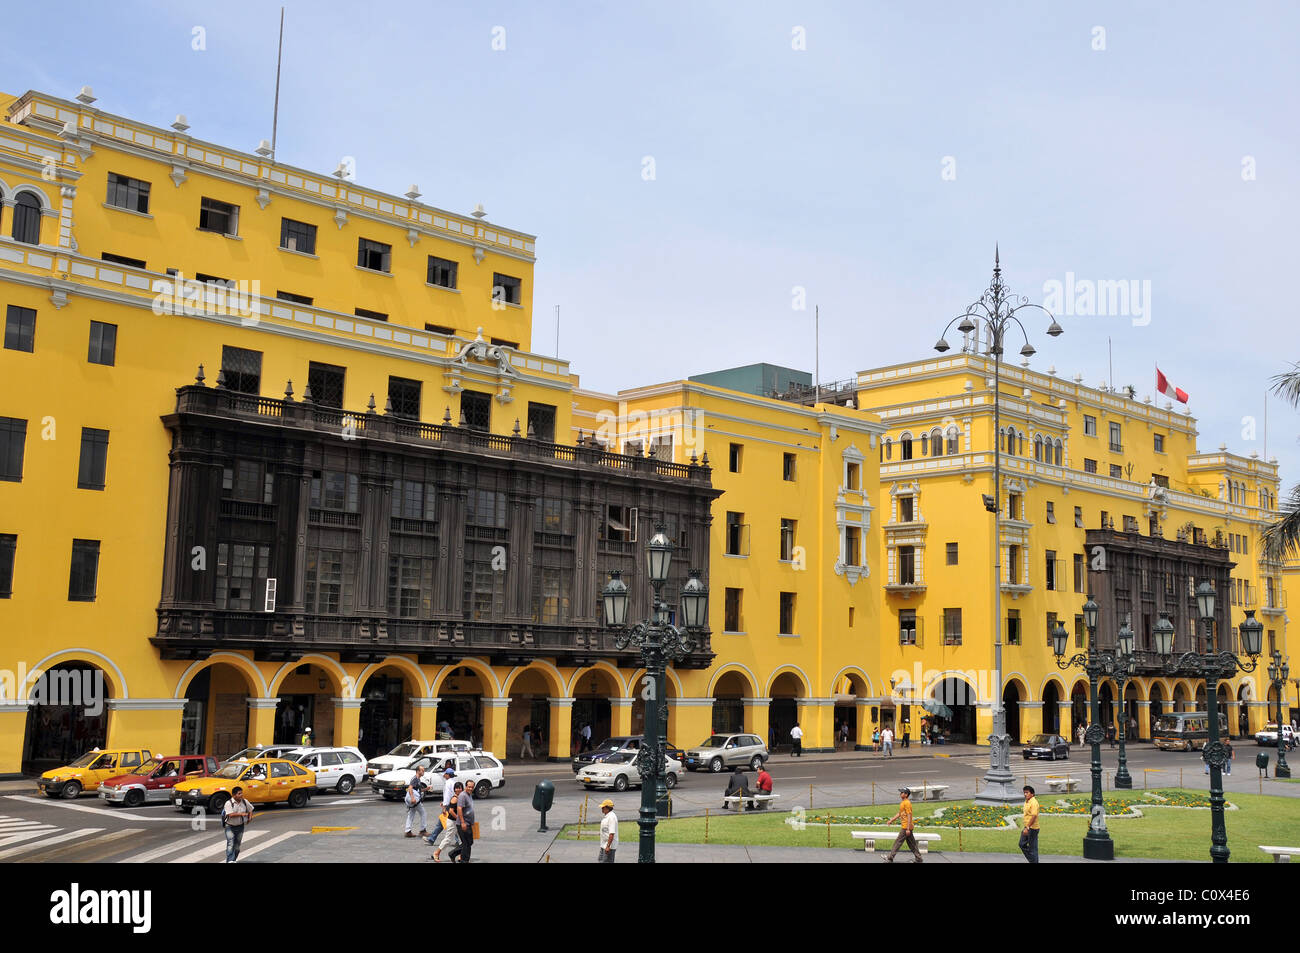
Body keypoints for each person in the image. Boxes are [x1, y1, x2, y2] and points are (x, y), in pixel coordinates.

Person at [884, 788, 922, 863]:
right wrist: (891, 820)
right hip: (907, 827)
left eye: (902, 792)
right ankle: (919, 858)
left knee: (898, 842)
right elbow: (900, 813)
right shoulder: (903, 802)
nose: (900, 794)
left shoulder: (907, 803)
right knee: (912, 843)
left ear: (906, 794)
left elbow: (909, 815)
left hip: (906, 827)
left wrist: (907, 829)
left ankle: (890, 858)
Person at [430, 772, 460, 861]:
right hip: (453, 821)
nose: (458, 790)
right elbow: (450, 809)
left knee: (463, 840)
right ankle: (436, 852)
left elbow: (447, 797)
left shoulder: (449, 783)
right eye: (457, 788)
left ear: (448, 775)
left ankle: (462, 855)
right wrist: (444, 806)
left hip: (456, 820)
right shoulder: (454, 796)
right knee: (448, 839)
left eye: (460, 788)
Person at [221, 786, 254, 863]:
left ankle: (233, 860)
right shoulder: (228, 803)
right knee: (230, 843)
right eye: (239, 794)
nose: (241, 795)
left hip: (240, 826)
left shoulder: (245, 801)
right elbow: (230, 815)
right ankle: (230, 861)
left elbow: (251, 809)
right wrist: (242, 814)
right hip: (230, 826)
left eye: (241, 793)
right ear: (234, 795)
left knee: (237, 847)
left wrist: (250, 817)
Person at [447, 779, 477, 863]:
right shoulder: (462, 796)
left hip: (468, 823)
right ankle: (464, 860)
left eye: (472, 787)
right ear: (466, 786)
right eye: (469, 787)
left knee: (469, 842)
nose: (470, 788)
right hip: (462, 823)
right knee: (466, 843)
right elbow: (459, 808)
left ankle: (453, 853)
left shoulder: (469, 794)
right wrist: (462, 822)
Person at [403, 764, 429, 838]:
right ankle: (422, 830)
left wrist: (426, 789)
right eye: (422, 770)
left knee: (411, 814)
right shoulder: (415, 779)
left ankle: (408, 831)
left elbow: (418, 790)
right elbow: (410, 788)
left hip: (414, 799)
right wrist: (412, 798)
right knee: (423, 813)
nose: (423, 771)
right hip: (414, 799)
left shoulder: (418, 779)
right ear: (418, 771)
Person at [1020, 785, 1040, 863]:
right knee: (1022, 844)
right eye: (1024, 792)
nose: (1025, 794)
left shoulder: (1034, 802)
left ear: (1032, 794)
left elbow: (1034, 816)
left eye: (1027, 792)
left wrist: (1027, 827)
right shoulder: (1027, 801)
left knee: (1033, 848)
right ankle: (1033, 861)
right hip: (1027, 827)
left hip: (1032, 828)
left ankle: (1034, 861)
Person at [598, 798, 618, 862]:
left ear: (607, 808)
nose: (602, 809)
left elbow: (611, 834)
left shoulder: (612, 817)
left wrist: (608, 846)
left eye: (603, 807)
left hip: (609, 846)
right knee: (601, 860)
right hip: (604, 844)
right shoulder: (607, 816)